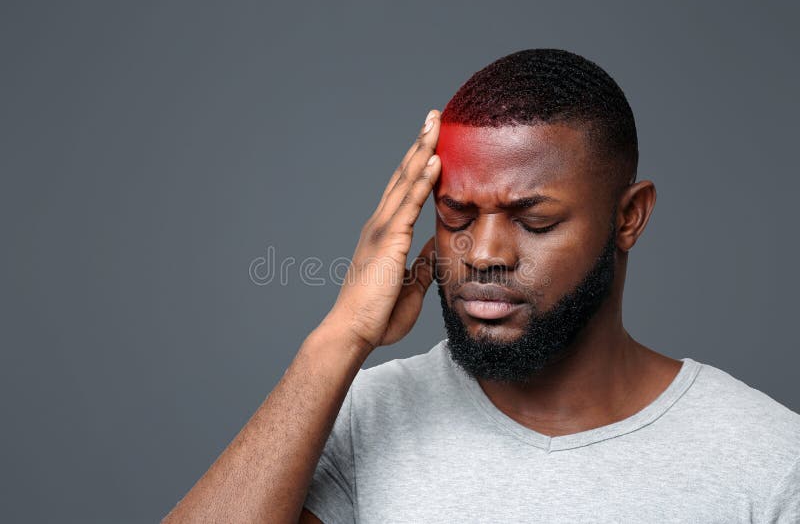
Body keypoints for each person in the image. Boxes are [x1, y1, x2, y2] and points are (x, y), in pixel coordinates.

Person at [162, 49, 800, 523]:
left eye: (534, 220)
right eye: (456, 216)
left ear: (628, 216)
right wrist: (339, 339)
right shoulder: (367, 416)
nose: (484, 254)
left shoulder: (770, 461)